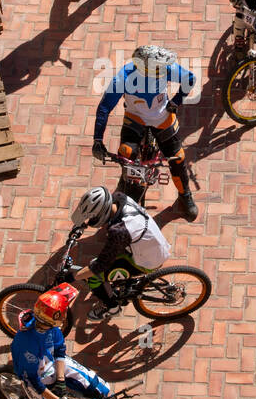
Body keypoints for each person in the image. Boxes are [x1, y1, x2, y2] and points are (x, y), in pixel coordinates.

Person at [93, 44, 199, 220]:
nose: (164, 71)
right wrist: (97, 140)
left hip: (163, 118)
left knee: (178, 158)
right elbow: (104, 107)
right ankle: (126, 180)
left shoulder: (166, 68)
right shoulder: (123, 78)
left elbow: (190, 78)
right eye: (159, 69)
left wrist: (176, 101)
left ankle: (185, 196)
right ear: (145, 69)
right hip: (135, 119)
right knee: (126, 154)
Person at [70, 186, 172, 318]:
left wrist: (73, 277)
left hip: (148, 260)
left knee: (93, 276)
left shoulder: (119, 231)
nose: (92, 221)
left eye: (93, 218)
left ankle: (112, 308)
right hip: (152, 243)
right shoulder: (120, 198)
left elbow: (98, 267)